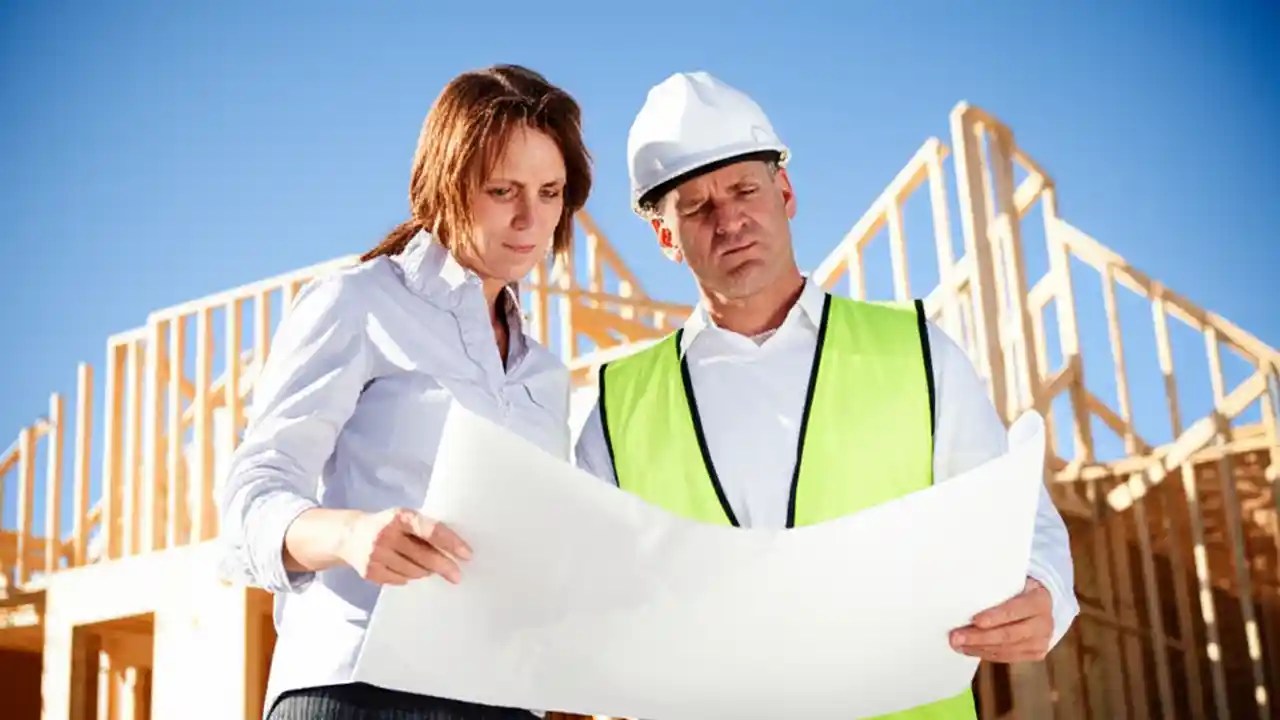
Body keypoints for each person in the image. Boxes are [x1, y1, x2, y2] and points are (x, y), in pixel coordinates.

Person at [573, 71, 1079, 718]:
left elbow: (1010, 513)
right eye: (696, 208)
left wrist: (1044, 590)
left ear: (784, 191)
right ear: (666, 238)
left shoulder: (917, 353)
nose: (728, 220)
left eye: (744, 190)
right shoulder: (617, 408)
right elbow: (593, 591)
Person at [217, 64, 591, 720]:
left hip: (499, 698)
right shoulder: (358, 304)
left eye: (552, 192)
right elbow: (251, 502)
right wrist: (349, 535)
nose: (531, 218)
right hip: (356, 689)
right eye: (504, 189)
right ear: (447, 184)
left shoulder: (546, 376)